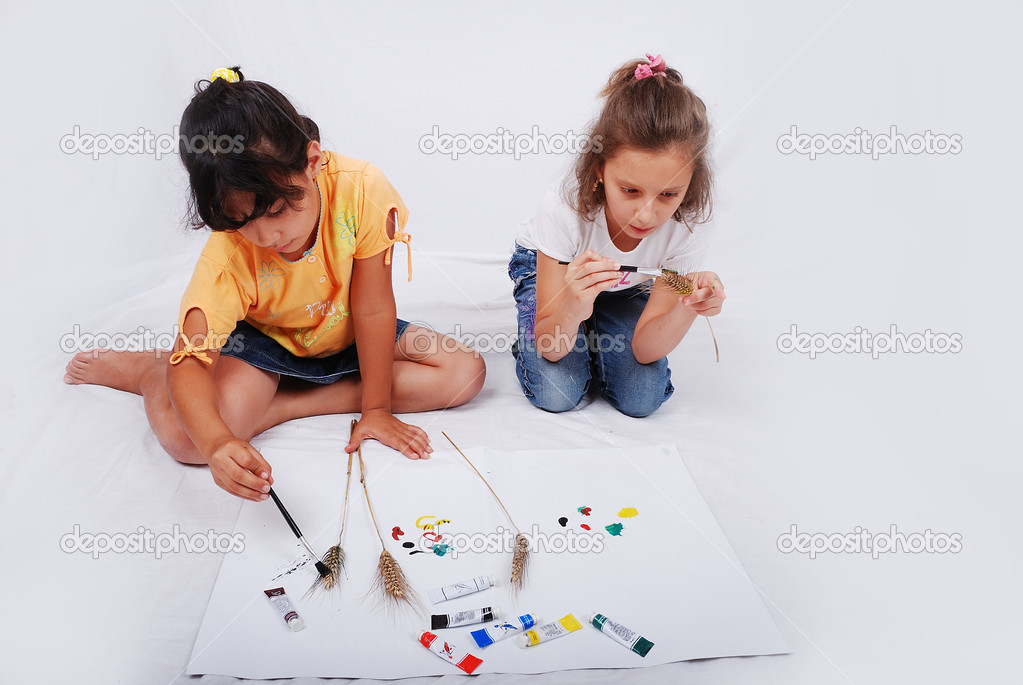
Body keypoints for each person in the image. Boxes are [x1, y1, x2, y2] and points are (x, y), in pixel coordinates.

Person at [64, 67, 486, 500]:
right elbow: (190, 361)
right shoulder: (228, 255)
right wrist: (218, 443)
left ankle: (281, 407)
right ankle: (150, 374)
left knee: (463, 373)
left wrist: (375, 410)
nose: (267, 237)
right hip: (267, 345)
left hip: (349, 328)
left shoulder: (364, 190)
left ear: (313, 161)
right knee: (186, 440)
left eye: (279, 211)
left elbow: (374, 308)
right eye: (242, 221)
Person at [509, 54, 725, 417]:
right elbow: (551, 344)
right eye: (629, 190)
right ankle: (549, 331)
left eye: (669, 195)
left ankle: (595, 329)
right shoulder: (564, 207)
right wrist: (575, 306)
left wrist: (689, 306)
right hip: (557, 279)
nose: (647, 214)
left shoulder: (690, 226)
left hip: (630, 285)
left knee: (642, 399)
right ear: (599, 171)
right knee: (556, 392)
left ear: (690, 185)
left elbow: (645, 349)